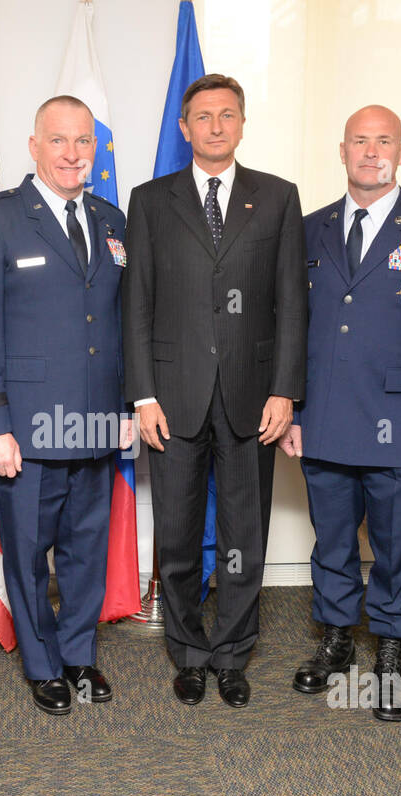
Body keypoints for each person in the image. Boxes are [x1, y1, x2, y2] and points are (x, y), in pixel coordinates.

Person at [279, 106, 401, 720]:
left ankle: (389, 650)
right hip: (325, 420)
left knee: (394, 545)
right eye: (359, 141)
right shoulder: (308, 229)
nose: (370, 152)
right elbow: (291, 330)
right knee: (331, 541)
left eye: (382, 141)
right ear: (342, 150)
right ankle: (336, 640)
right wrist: (293, 413)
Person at [123, 74, 306, 708]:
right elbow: (136, 305)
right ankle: (188, 651)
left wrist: (285, 391)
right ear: (185, 127)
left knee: (242, 534)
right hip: (171, 398)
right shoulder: (150, 201)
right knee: (174, 532)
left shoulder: (278, 198)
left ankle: (232, 652)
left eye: (228, 115)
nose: (216, 126)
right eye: (204, 116)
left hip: (254, 398)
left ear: (242, 123)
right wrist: (142, 394)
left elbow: (292, 303)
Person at [0, 95, 131, 716]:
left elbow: (121, 323)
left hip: (97, 420)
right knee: (27, 549)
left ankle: (79, 654)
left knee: (87, 549)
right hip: (25, 428)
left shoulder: (113, 220)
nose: (72, 153)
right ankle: (41, 661)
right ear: (33, 147)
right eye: (58, 140)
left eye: (83, 141)